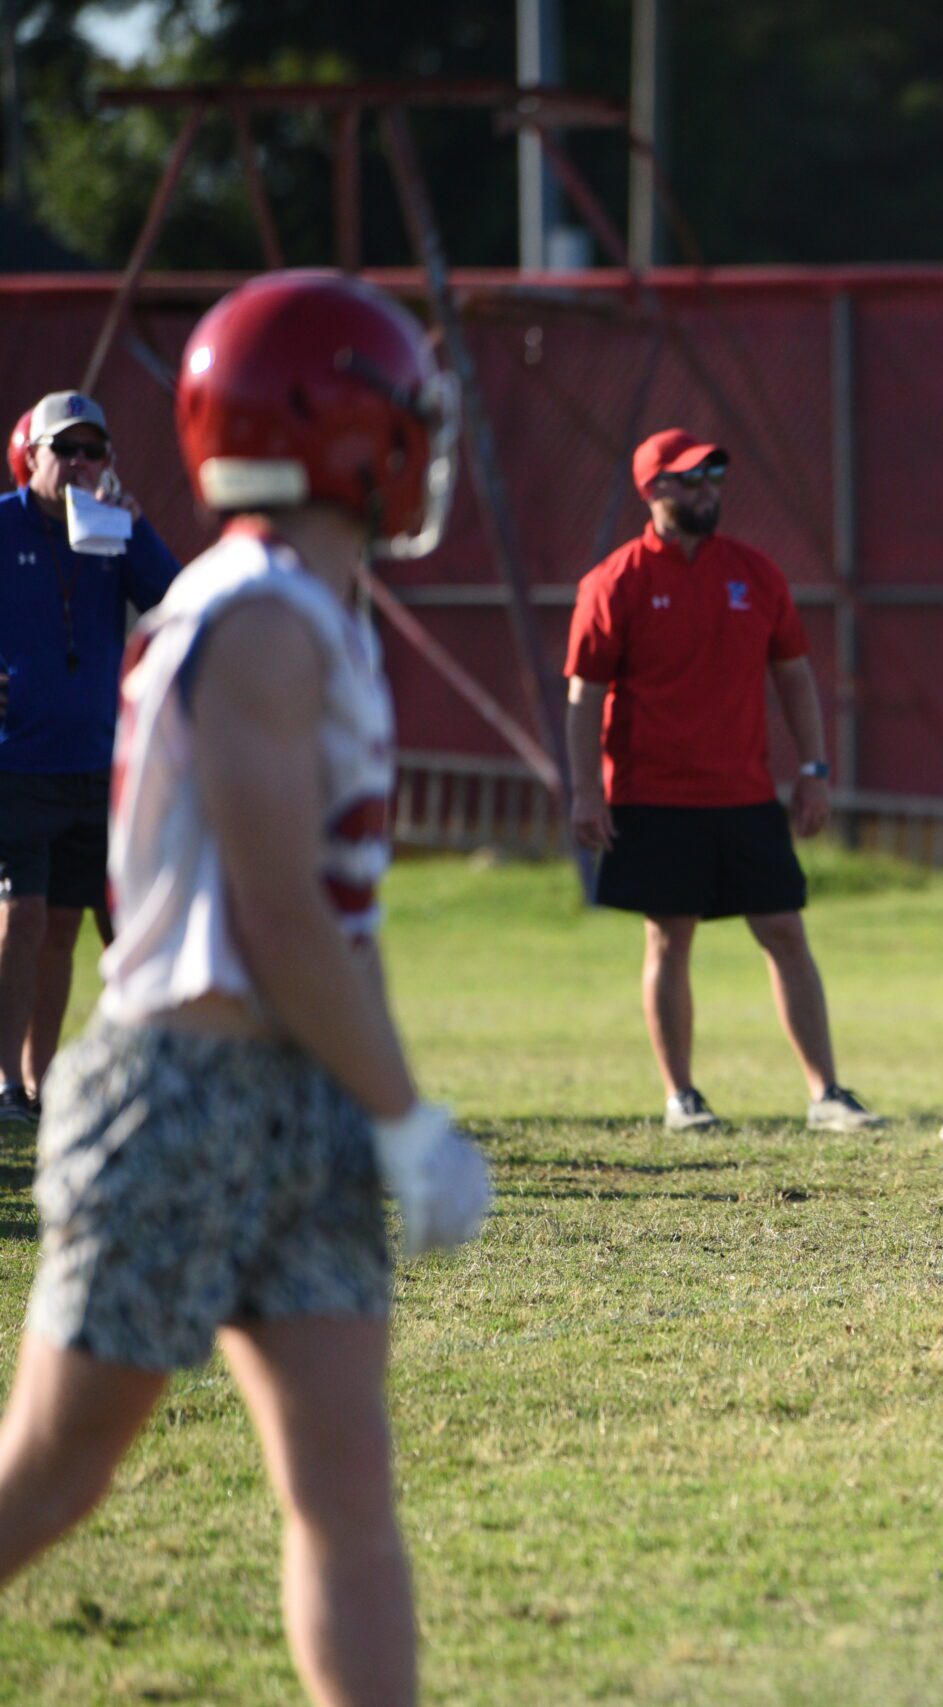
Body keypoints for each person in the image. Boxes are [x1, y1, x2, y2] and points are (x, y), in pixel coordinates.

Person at [0, 270, 491, 1705]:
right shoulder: (264, 613)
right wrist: (404, 1115)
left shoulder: (322, 607)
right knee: (55, 1473)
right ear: (343, 428)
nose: (422, 445)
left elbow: (343, 915)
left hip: (296, 1092)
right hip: (185, 1090)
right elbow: (274, 908)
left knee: (347, 1492)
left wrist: (379, 1089)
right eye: (402, 415)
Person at [566, 428, 881, 1134]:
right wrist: (587, 790)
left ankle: (826, 1091)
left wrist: (813, 769)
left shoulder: (756, 573)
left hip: (744, 792)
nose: (708, 489)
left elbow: (794, 675)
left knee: (784, 929)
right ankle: (682, 1097)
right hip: (652, 794)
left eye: (714, 477)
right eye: (690, 479)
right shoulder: (615, 581)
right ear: (654, 490)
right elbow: (584, 694)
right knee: (668, 938)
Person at [0, 390, 182, 1126]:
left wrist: (134, 530)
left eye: (92, 450)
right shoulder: (4, 522)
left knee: (68, 923)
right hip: (18, 761)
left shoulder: (112, 531)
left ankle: (41, 1082)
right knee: (24, 912)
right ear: (31, 454)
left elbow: (174, 601)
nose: (77, 463)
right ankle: (4, 1080)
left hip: (97, 763)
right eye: (64, 448)